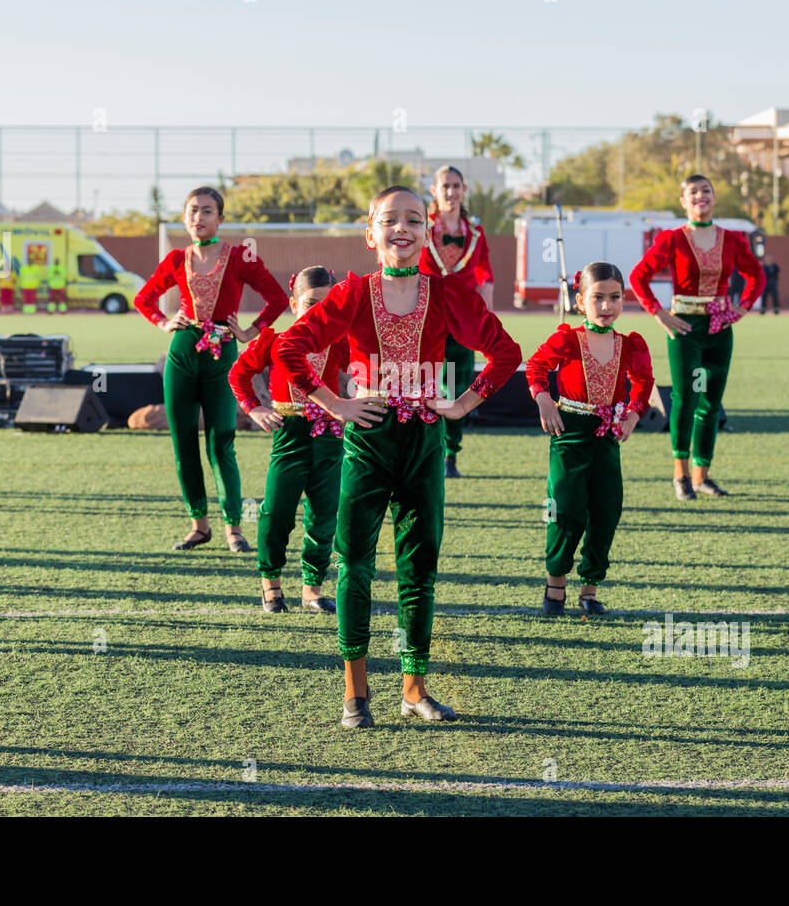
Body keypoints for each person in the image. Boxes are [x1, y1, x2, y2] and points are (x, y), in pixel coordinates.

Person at [277, 186, 521, 728]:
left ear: (428, 231)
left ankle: (414, 690)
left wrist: (462, 404)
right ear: (371, 233)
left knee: (419, 569)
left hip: (424, 445)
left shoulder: (449, 292)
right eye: (390, 220)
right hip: (369, 441)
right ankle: (355, 694)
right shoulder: (352, 292)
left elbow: (506, 352)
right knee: (355, 563)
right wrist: (335, 403)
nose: (402, 228)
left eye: (415, 219)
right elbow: (288, 347)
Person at [134, 186, 288, 551]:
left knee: (222, 444)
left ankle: (234, 529)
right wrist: (163, 321)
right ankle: (199, 525)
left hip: (223, 357)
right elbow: (143, 298)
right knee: (183, 444)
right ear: (184, 216)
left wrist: (250, 332)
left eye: (206, 211)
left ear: (220, 218)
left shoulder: (240, 258)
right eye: (191, 211)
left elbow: (279, 298)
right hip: (182, 354)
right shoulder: (175, 258)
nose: (197, 218)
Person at [527, 263, 653, 615]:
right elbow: (536, 367)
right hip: (569, 434)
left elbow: (643, 381)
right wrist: (543, 399)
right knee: (565, 509)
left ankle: (590, 589)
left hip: (607, 439)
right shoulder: (567, 339)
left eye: (614, 297)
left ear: (623, 300)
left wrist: (633, 413)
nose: (607, 306)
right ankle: (555, 586)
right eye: (598, 298)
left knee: (607, 509)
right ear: (580, 301)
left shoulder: (629, 344)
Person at [629, 174, 763, 501]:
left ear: (714, 198)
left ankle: (703, 475)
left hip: (719, 330)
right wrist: (659, 313)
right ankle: (681, 475)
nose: (700, 196)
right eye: (693, 192)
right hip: (684, 329)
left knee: (710, 403)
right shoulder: (672, 239)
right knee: (686, 398)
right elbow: (638, 276)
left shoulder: (732, 239)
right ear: (683, 202)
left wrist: (739, 310)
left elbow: (755, 276)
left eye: (706, 191)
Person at [229, 266, 349, 613]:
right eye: (311, 303)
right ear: (294, 303)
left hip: (329, 439)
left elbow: (363, 369)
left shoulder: (338, 341)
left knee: (325, 515)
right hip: (289, 437)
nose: (318, 311)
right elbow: (238, 374)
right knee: (276, 513)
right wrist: (254, 409)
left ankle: (312, 589)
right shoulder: (273, 339)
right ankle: (271, 586)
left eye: (327, 305)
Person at [419, 165, 495, 479]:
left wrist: (486, 317)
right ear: (434, 191)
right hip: (428, 321)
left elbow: (486, 276)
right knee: (424, 385)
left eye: (456, 186)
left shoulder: (476, 235)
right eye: (445, 186)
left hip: (463, 326)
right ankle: (426, 452)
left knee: (457, 388)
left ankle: (451, 455)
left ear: (463, 191)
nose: (451, 192)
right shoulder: (422, 229)